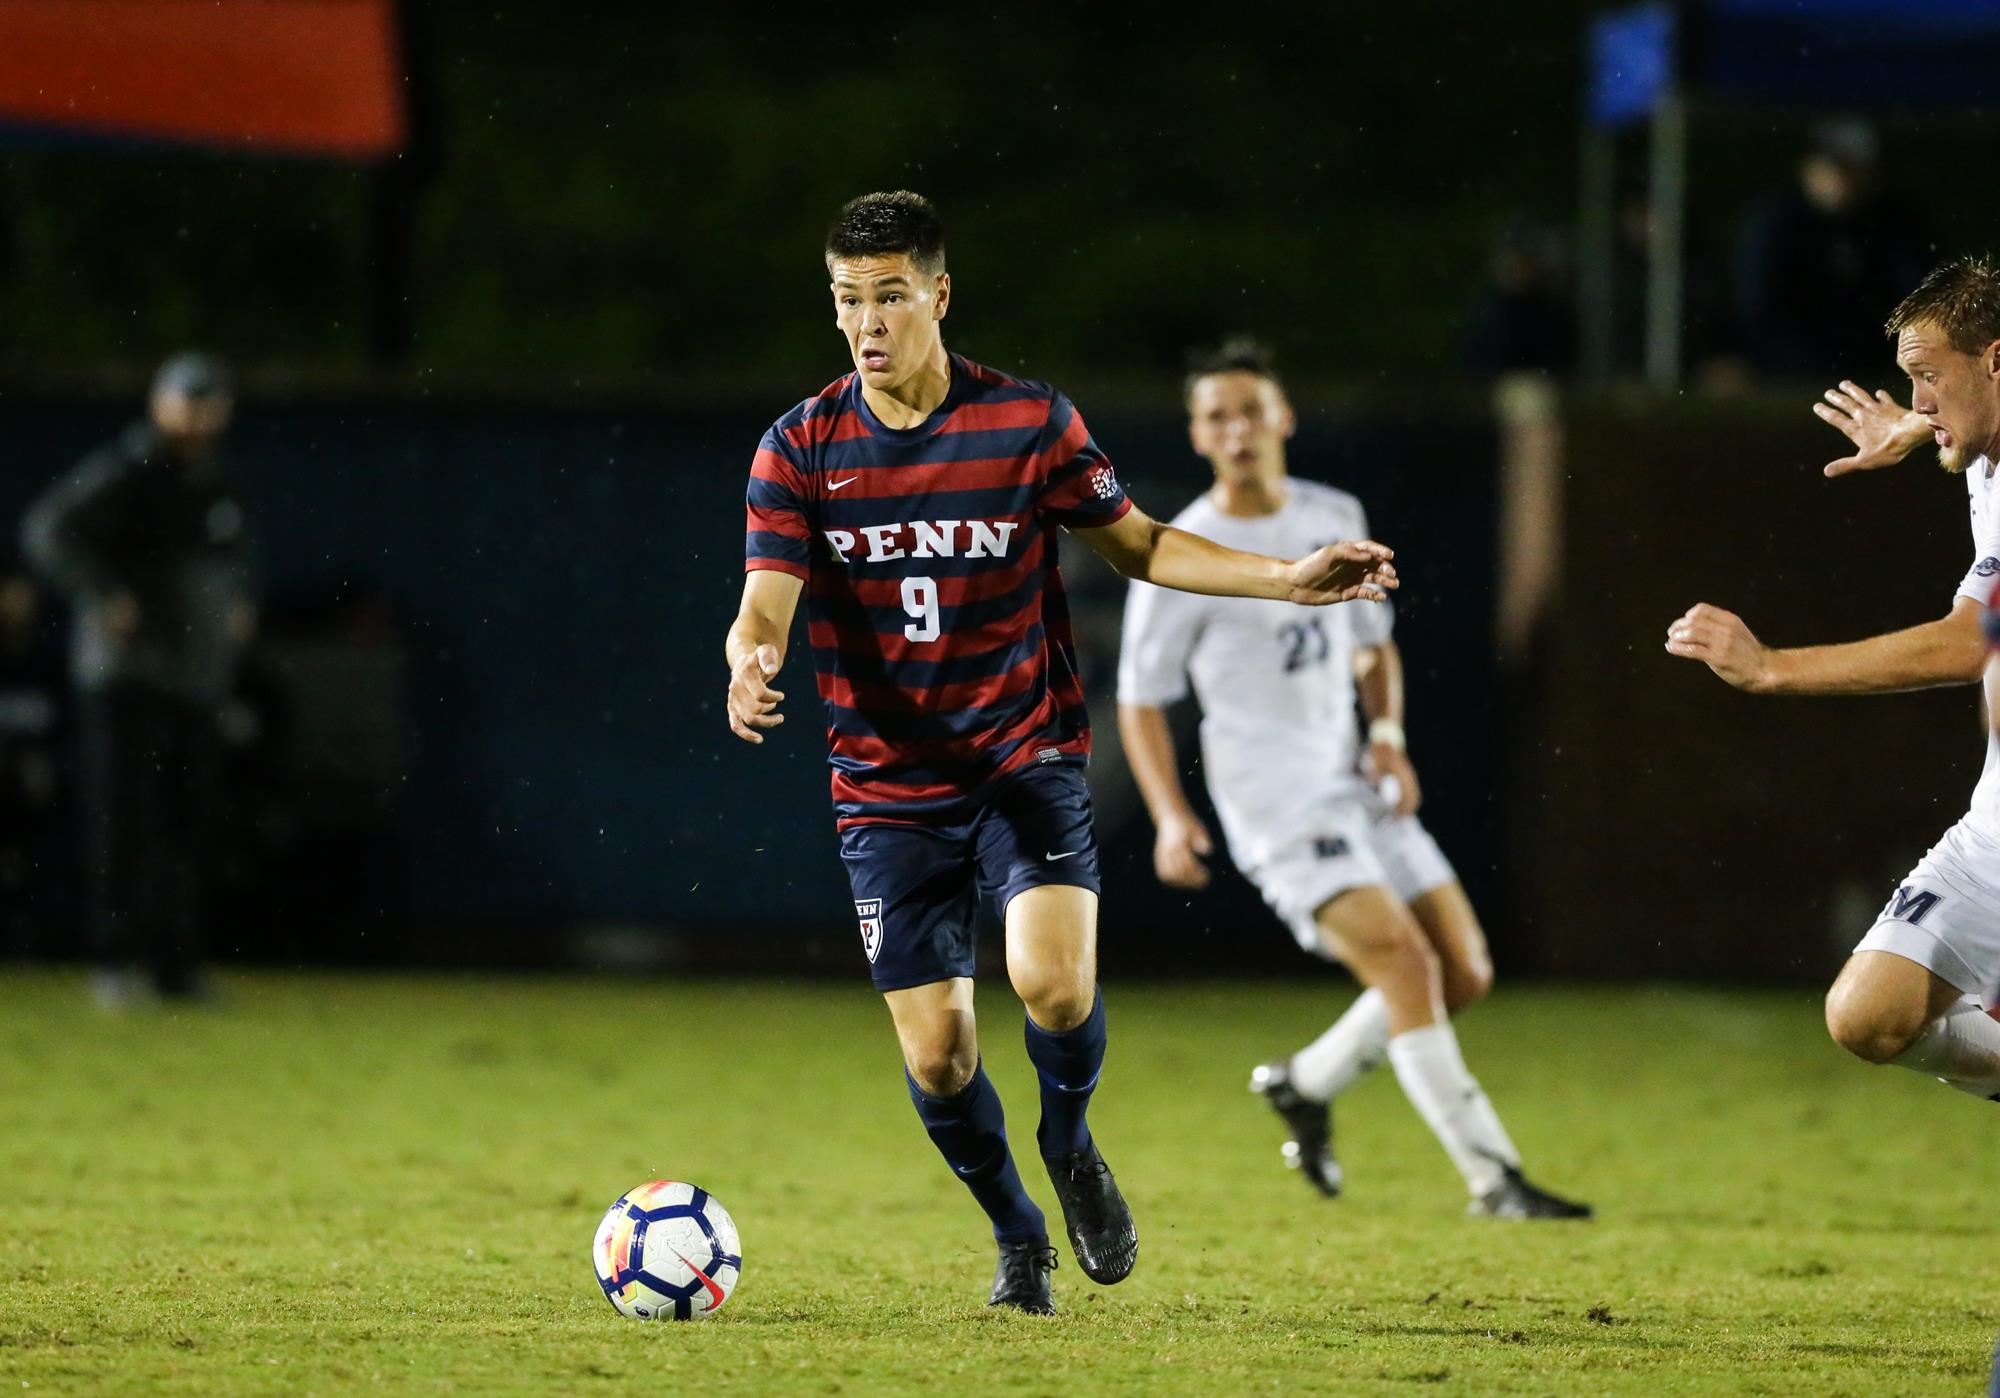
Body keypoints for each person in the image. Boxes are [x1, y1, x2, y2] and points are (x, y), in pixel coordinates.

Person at [724, 192, 1399, 1314]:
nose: (867, 323)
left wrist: (1282, 577)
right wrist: (748, 659)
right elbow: (763, 603)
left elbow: (1135, 544)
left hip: (1022, 758)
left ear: (938, 295)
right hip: (886, 789)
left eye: (889, 296)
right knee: (937, 1055)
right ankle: (1016, 1234)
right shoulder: (799, 445)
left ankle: (1071, 1143)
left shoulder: (1027, 421)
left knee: (1049, 982)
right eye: (848, 301)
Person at [1115, 338, 1591, 1220]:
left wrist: (1387, 735)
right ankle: (1494, 1179)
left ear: (1283, 418)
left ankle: (1305, 1082)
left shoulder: (1334, 513)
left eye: (1252, 409)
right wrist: (1169, 815)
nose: (1238, 428)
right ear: (1196, 434)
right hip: (1274, 799)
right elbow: (1140, 701)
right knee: (1407, 966)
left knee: (1465, 971)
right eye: (1218, 414)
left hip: (1352, 779)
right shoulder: (1184, 553)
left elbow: (1374, 647)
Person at [1667, 254, 2000, 1098]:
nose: (1919, 399)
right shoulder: (1986, 449)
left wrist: (1775, 670)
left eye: (1929, 378)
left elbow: (1974, 643)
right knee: (1870, 1014)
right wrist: (1925, 427)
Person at [21, 352, 254, 1006]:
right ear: (160, 403)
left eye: (208, 403)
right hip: (126, 678)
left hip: (194, 680)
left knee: (188, 825)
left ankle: (175, 966)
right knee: (125, 822)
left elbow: (233, 559)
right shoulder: (129, 469)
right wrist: (104, 595)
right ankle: (116, 962)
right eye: (187, 401)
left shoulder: (216, 478)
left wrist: (236, 605)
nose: (197, 416)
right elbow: (47, 531)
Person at [1733, 118, 1932, 382]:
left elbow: (1917, 298)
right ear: (1809, 168)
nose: (1842, 179)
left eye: (1854, 168)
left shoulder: (1895, 222)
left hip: (1876, 369)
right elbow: (1756, 306)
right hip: (1787, 371)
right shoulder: (1777, 221)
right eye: (1834, 167)